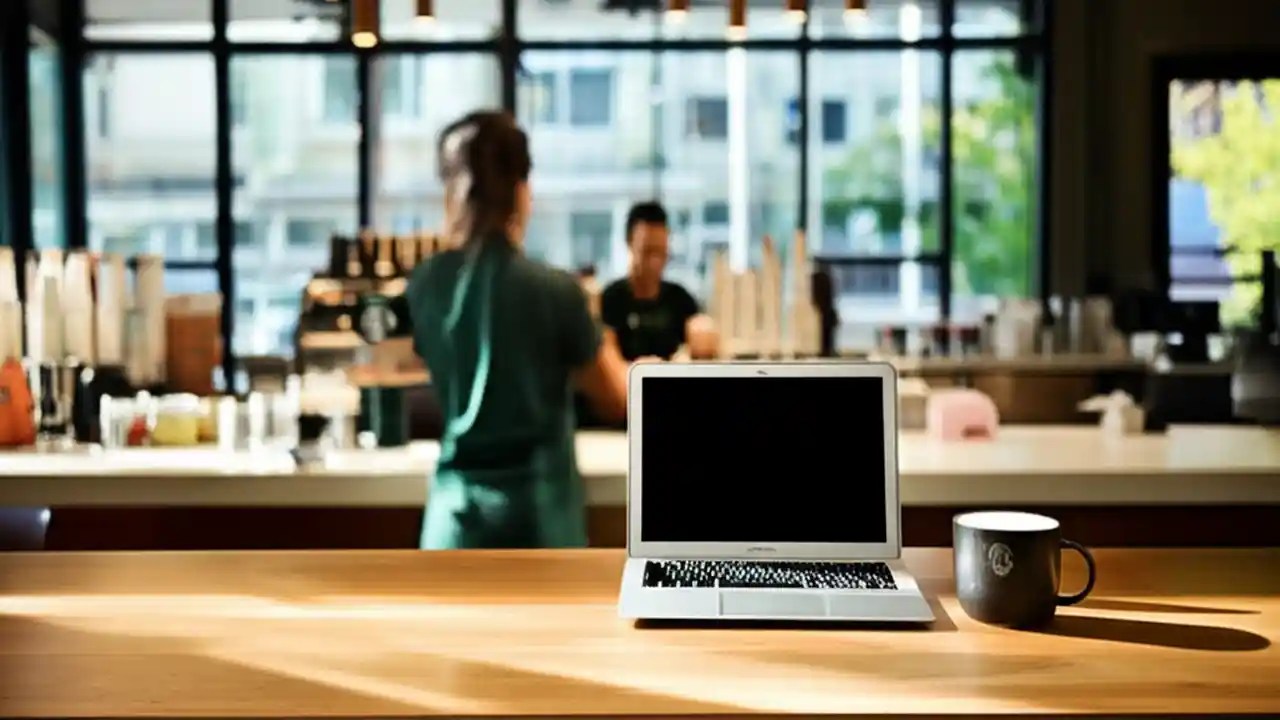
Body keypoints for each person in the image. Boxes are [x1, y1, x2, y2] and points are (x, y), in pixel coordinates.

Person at [405, 111, 629, 549]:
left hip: (454, 526)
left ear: (452, 193)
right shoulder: (556, 291)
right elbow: (615, 399)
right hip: (538, 525)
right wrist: (607, 341)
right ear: (521, 192)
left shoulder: (426, 286)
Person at [601, 202, 708, 361]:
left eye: (660, 253)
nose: (654, 263)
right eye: (647, 252)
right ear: (629, 244)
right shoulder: (611, 300)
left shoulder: (681, 300)